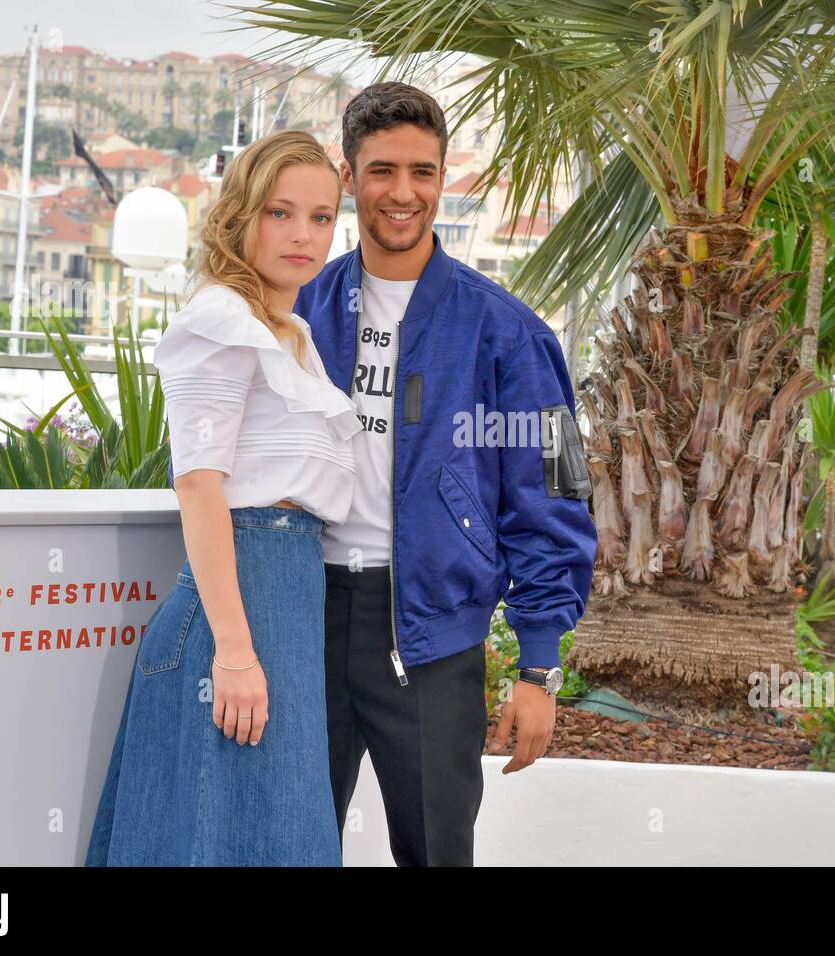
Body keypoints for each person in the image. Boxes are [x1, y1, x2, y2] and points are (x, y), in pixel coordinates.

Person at [293, 82, 598, 867]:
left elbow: (559, 497)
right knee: (287, 849)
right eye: (384, 171)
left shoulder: (515, 334)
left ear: (443, 177)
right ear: (349, 176)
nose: (404, 193)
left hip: (432, 638)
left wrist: (540, 664)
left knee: (436, 854)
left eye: (423, 172)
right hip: (302, 621)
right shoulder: (297, 314)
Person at [84, 131, 360, 866]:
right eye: (281, 213)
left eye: (322, 217)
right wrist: (235, 653)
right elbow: (199, 485)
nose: (303, 235)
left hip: (287, 600)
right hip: (238, 607)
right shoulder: (221, 322)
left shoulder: (292, 331)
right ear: (241, 215)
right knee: (226, 835)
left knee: (271, 836)